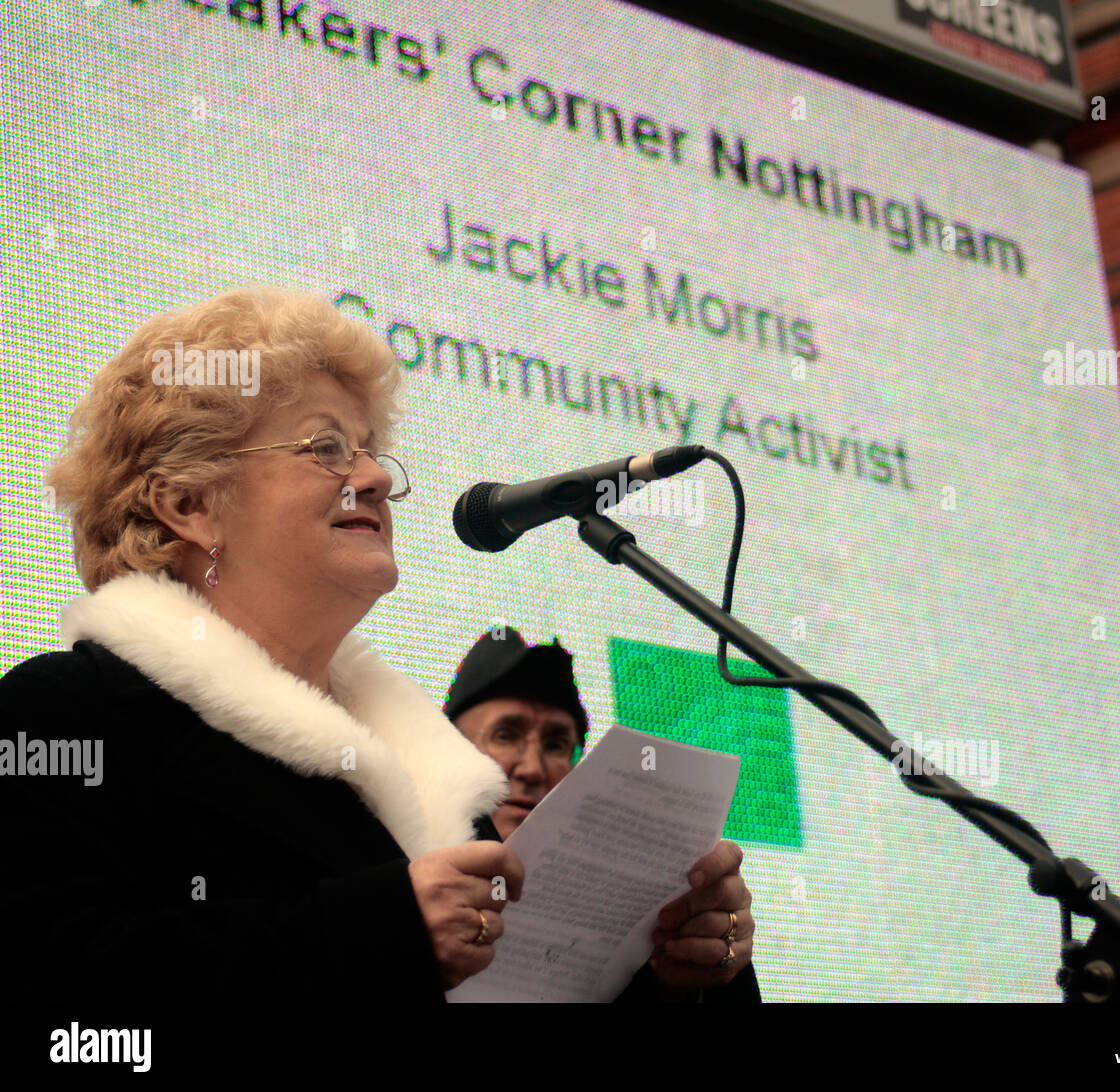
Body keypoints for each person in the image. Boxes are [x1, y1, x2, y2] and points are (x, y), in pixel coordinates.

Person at [0, 286, 754, 1029]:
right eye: (326, 447)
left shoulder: (443, 787)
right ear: (190, 504)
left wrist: (676, 971)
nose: (376, 477)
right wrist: (377, 933)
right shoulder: (67, 713)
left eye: (368, 449)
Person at [444, 626, 760, 1001]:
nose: (532, 767)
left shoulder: (644, 917)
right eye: (505, 735)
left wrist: (708, 965)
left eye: (557, 744)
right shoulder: (393, 868)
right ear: (449, 747)